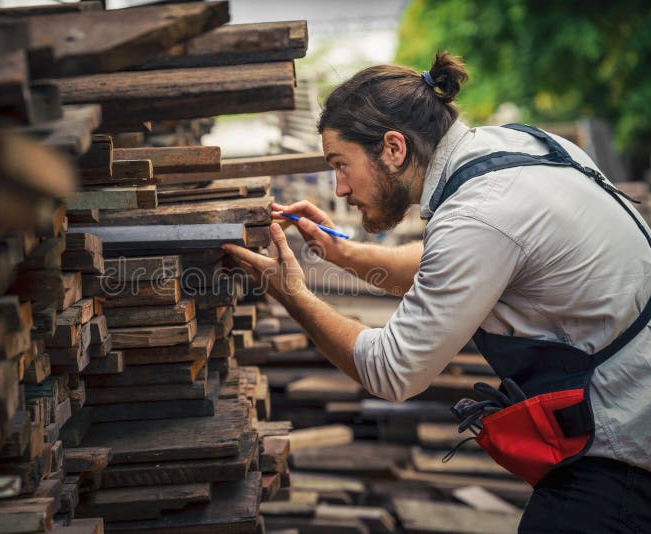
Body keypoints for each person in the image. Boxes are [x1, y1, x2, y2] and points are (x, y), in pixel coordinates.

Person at [223, 52, 651, 532]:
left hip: (624, 455)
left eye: (341, 165)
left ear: (393, 148)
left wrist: (292, 294)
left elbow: (392, 371)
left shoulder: (477, 214)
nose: (339, 188)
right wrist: (341, 253)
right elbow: (448, 266)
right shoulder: (520, 145)